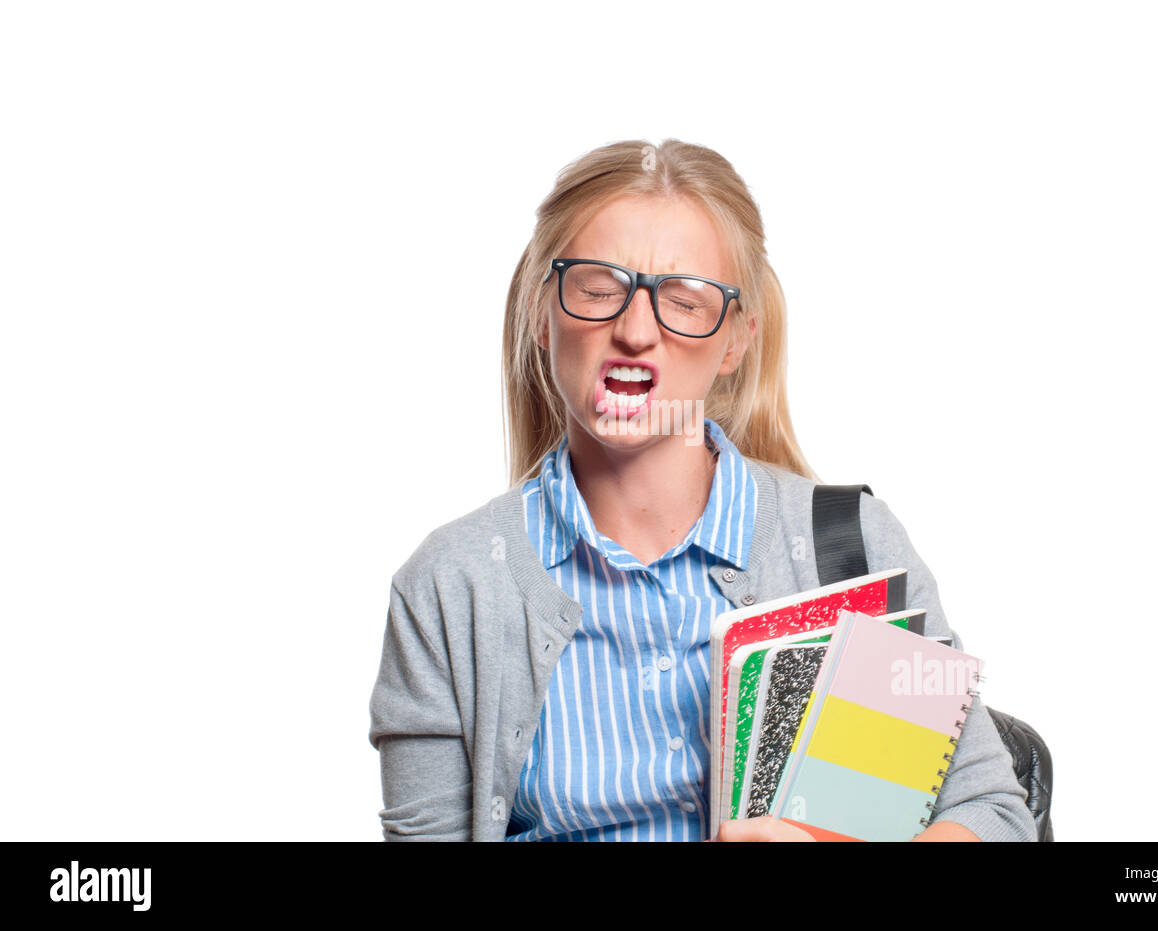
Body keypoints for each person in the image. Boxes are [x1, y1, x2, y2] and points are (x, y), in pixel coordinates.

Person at [367, 138, 1036, 842]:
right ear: (542, 313)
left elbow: (992, 812)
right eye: (597, 287)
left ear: (735, 342)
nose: (632, 330)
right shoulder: (450, 588)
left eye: (683, 301)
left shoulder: (849, 548)